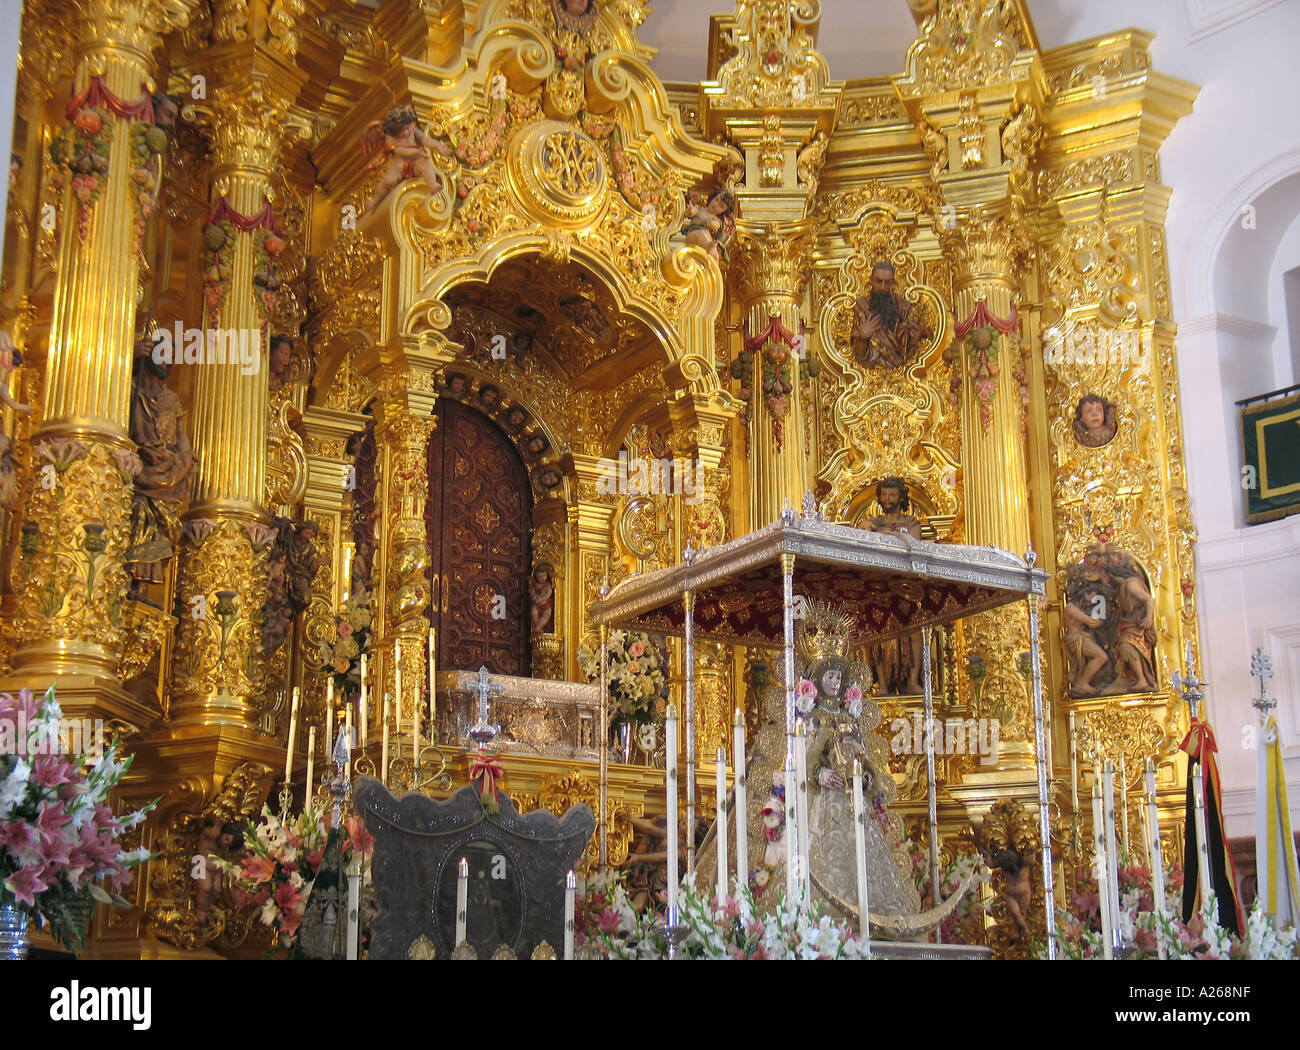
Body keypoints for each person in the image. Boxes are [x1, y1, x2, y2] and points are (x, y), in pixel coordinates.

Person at [128, 336, 196, 593]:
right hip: (140, 470)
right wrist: (130, 355)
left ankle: (141, 588)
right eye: (163, 355)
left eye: (171, 358)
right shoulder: (130, 389)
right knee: (136, 516)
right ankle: (130, 583)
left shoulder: (171, 399)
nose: (167, 362)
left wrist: (186, 456)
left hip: (168, 472)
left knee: (160, 529)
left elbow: (180, 433)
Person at [863, 478, 924, 694]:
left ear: (901, 498)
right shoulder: (872, 523)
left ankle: (912, 681)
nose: (887, 499)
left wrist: (884, 535)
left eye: (892, 495)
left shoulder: (911, 523)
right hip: (880, 582)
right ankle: (883, 682)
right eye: (884, 495)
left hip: (907, 583)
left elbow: (914, 546)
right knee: (878, 632)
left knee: (915, 632)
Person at [362, 105, 452, 213]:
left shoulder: (412, 130)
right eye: (405, 129)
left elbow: (425, 140)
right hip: (399, 165)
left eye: (409, 126)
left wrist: (437, 145)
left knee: (425, 166)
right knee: (388, 181)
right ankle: (374, 199)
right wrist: (415, 151)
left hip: (416, 161)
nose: (409, 130)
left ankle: (432, 184)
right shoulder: (390, 138)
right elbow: (400, 151)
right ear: (396, 130)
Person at [850, 261, 930, 369]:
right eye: (879, 281)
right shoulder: (862, 306)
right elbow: (858, 355)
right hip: (871, 370)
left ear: (893, 283)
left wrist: (914, 338)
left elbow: (911, 348)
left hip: (901, 371)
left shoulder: (903, 307)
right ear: (871, 281)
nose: (882, 287)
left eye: (887, 282)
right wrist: (863, 338)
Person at [194, 819, 244, 923]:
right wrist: (218, 826)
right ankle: (201, 910)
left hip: (215, 871)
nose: (225, 843)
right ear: (223, 832)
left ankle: (207, 909)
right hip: (201, 865)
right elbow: (213, 834)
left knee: (217, 889)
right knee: (206, 888)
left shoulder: (223, 847)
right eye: (226, 838)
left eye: (229, 844)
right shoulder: (209, 833)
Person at [682, 187, 735, 262]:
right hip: (694, 234)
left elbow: (717, 225)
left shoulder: (716, 219)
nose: (716, 204)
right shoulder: (700, 209)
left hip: (707, 239)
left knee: (715, 255)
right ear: (712, 197)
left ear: (723, 212)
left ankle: (714, 271)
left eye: (720, 206)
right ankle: (708, 247)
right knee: (702, 234)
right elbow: (690, 213)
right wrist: (690, 210)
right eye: (716, 200)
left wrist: (712, 224)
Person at [530, 563, 555, 634]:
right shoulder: (534, 585)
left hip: (546, 604)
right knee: (533, 612)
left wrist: (541, 599)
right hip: (537, 604)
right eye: (540, 577)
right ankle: (538, 628)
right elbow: (532, 593)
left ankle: (537, 628)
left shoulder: (548, 585)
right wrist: (534, 597)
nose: (542, 578)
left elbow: (548, 594)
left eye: (544, 575)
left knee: (547, 614)